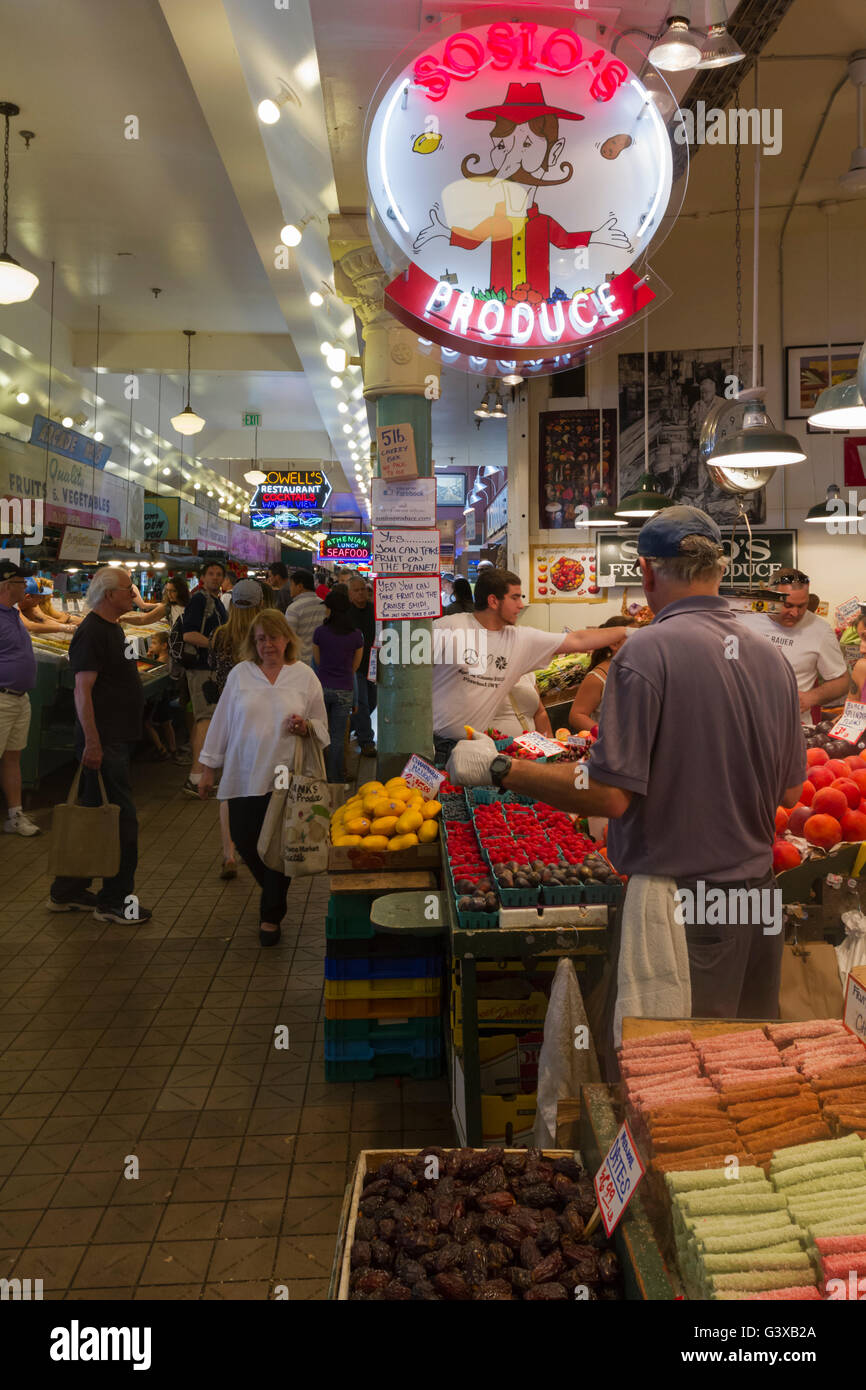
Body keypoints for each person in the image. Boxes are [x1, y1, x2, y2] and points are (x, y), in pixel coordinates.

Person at [446, 508, 806, 1041]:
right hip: (757, 899)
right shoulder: (769, 656)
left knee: (671, 1076)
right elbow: (792, 790)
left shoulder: (646, 652)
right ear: (719, 570)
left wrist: (500, 768)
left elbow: (611, 795)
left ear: (647, 571)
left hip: (683, 906)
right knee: (744, 1061)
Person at [197, 610, 328, 947]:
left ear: (287, 639)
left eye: (273, 637)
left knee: (281, 846)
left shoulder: (304, 676)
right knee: (244, 840)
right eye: (260, 639)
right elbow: (222, 722)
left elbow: (322, 726)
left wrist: (306, 726)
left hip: (287, 775)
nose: (268, 644)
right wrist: (207, 769)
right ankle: (275, 896)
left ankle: (270, 914)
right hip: (244, 771)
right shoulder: (241, 674)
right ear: (253, 643)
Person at [432, 567, 631, 764]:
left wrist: (629, 633)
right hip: (437, 745)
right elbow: (406, 670)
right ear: (493, 601)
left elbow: (577, 639)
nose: (521, 604)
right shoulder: (449, 628)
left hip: (475, 747)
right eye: (515, 597)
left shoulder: (520, 639)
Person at [48, 566, 152, 922]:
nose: (132, 593)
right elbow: (83, 691)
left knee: (92, 819)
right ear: (110, 595)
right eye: (128, 588)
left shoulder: (112, 627)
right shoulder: (92, 631)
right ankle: (114, 901)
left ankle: (67, 892)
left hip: (113, 739)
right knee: (122, 822)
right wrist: (92, 742)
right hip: (104, 743)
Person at [738, 568, 849, 726]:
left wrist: (811, 697)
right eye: (788, 605)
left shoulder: (820, 630)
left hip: (794, 728)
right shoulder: (742, 619)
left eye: (802, 606)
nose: (795, 613)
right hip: (745, 724)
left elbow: (842, 681)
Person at [209, 578, 265, 879]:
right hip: (258, 720)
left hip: (228, 717)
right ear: (260, 604)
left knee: (229, 786)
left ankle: (228, 852)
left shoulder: (220, 635)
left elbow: (213, 672)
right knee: (257, 784)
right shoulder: (264, 638)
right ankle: (252, 844)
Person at [180, 560, 228, 796]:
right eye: (211, 574)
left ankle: (198, 772)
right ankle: (195, 777)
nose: (215, 578)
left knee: (204, 719)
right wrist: (215, 645)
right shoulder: (199, 600)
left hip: (210, 669)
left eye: (219, 574)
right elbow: (188, 634)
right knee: (205, 720)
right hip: (200, 668)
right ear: (202, 577)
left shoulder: (217, 602)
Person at [0, 561, 40, 836]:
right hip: (1, 699)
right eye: (19, 581)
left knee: (13, 758)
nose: (24, 586)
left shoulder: (13, 613)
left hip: (20, 699)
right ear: (5, 585)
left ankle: (14, 816)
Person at [313, 590, 364, 783]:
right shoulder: (356, 635)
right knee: (337, 737)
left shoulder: (319, 633)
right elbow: (355, 667)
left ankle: (320, 775)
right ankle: (336, 777)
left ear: (330, 609)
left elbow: (317, 661)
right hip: (344, 690)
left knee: (320, 734)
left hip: (322, 689)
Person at [568, 616, 638, 730]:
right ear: (614, 644)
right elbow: (577, 716)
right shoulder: (597, 678)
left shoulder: (641, 669)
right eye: (633, 637)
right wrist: (605, 736)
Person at [347, 574, 377, 758]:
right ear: (350, 594)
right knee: (362, 703)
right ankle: (367, 741)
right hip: (354, 666)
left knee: (373, 702)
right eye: (356, 590)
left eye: (363, 589)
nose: (360, 593)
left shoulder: (374, 610)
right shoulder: (346, 613)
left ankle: (358, 727)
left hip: (373, 664)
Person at [490, 670, 552, 738]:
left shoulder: (527, 671)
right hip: (495, 747)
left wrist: (549, 743)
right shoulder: (479, 678)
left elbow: (540, 713)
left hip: (531, 746)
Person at [283, 570, 325, 666]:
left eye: (291, 585)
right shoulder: (324, 605)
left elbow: (288, 637)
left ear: (300, 586)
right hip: (320, 661)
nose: (290, 588)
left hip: (300, 663)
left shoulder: (293, 608)